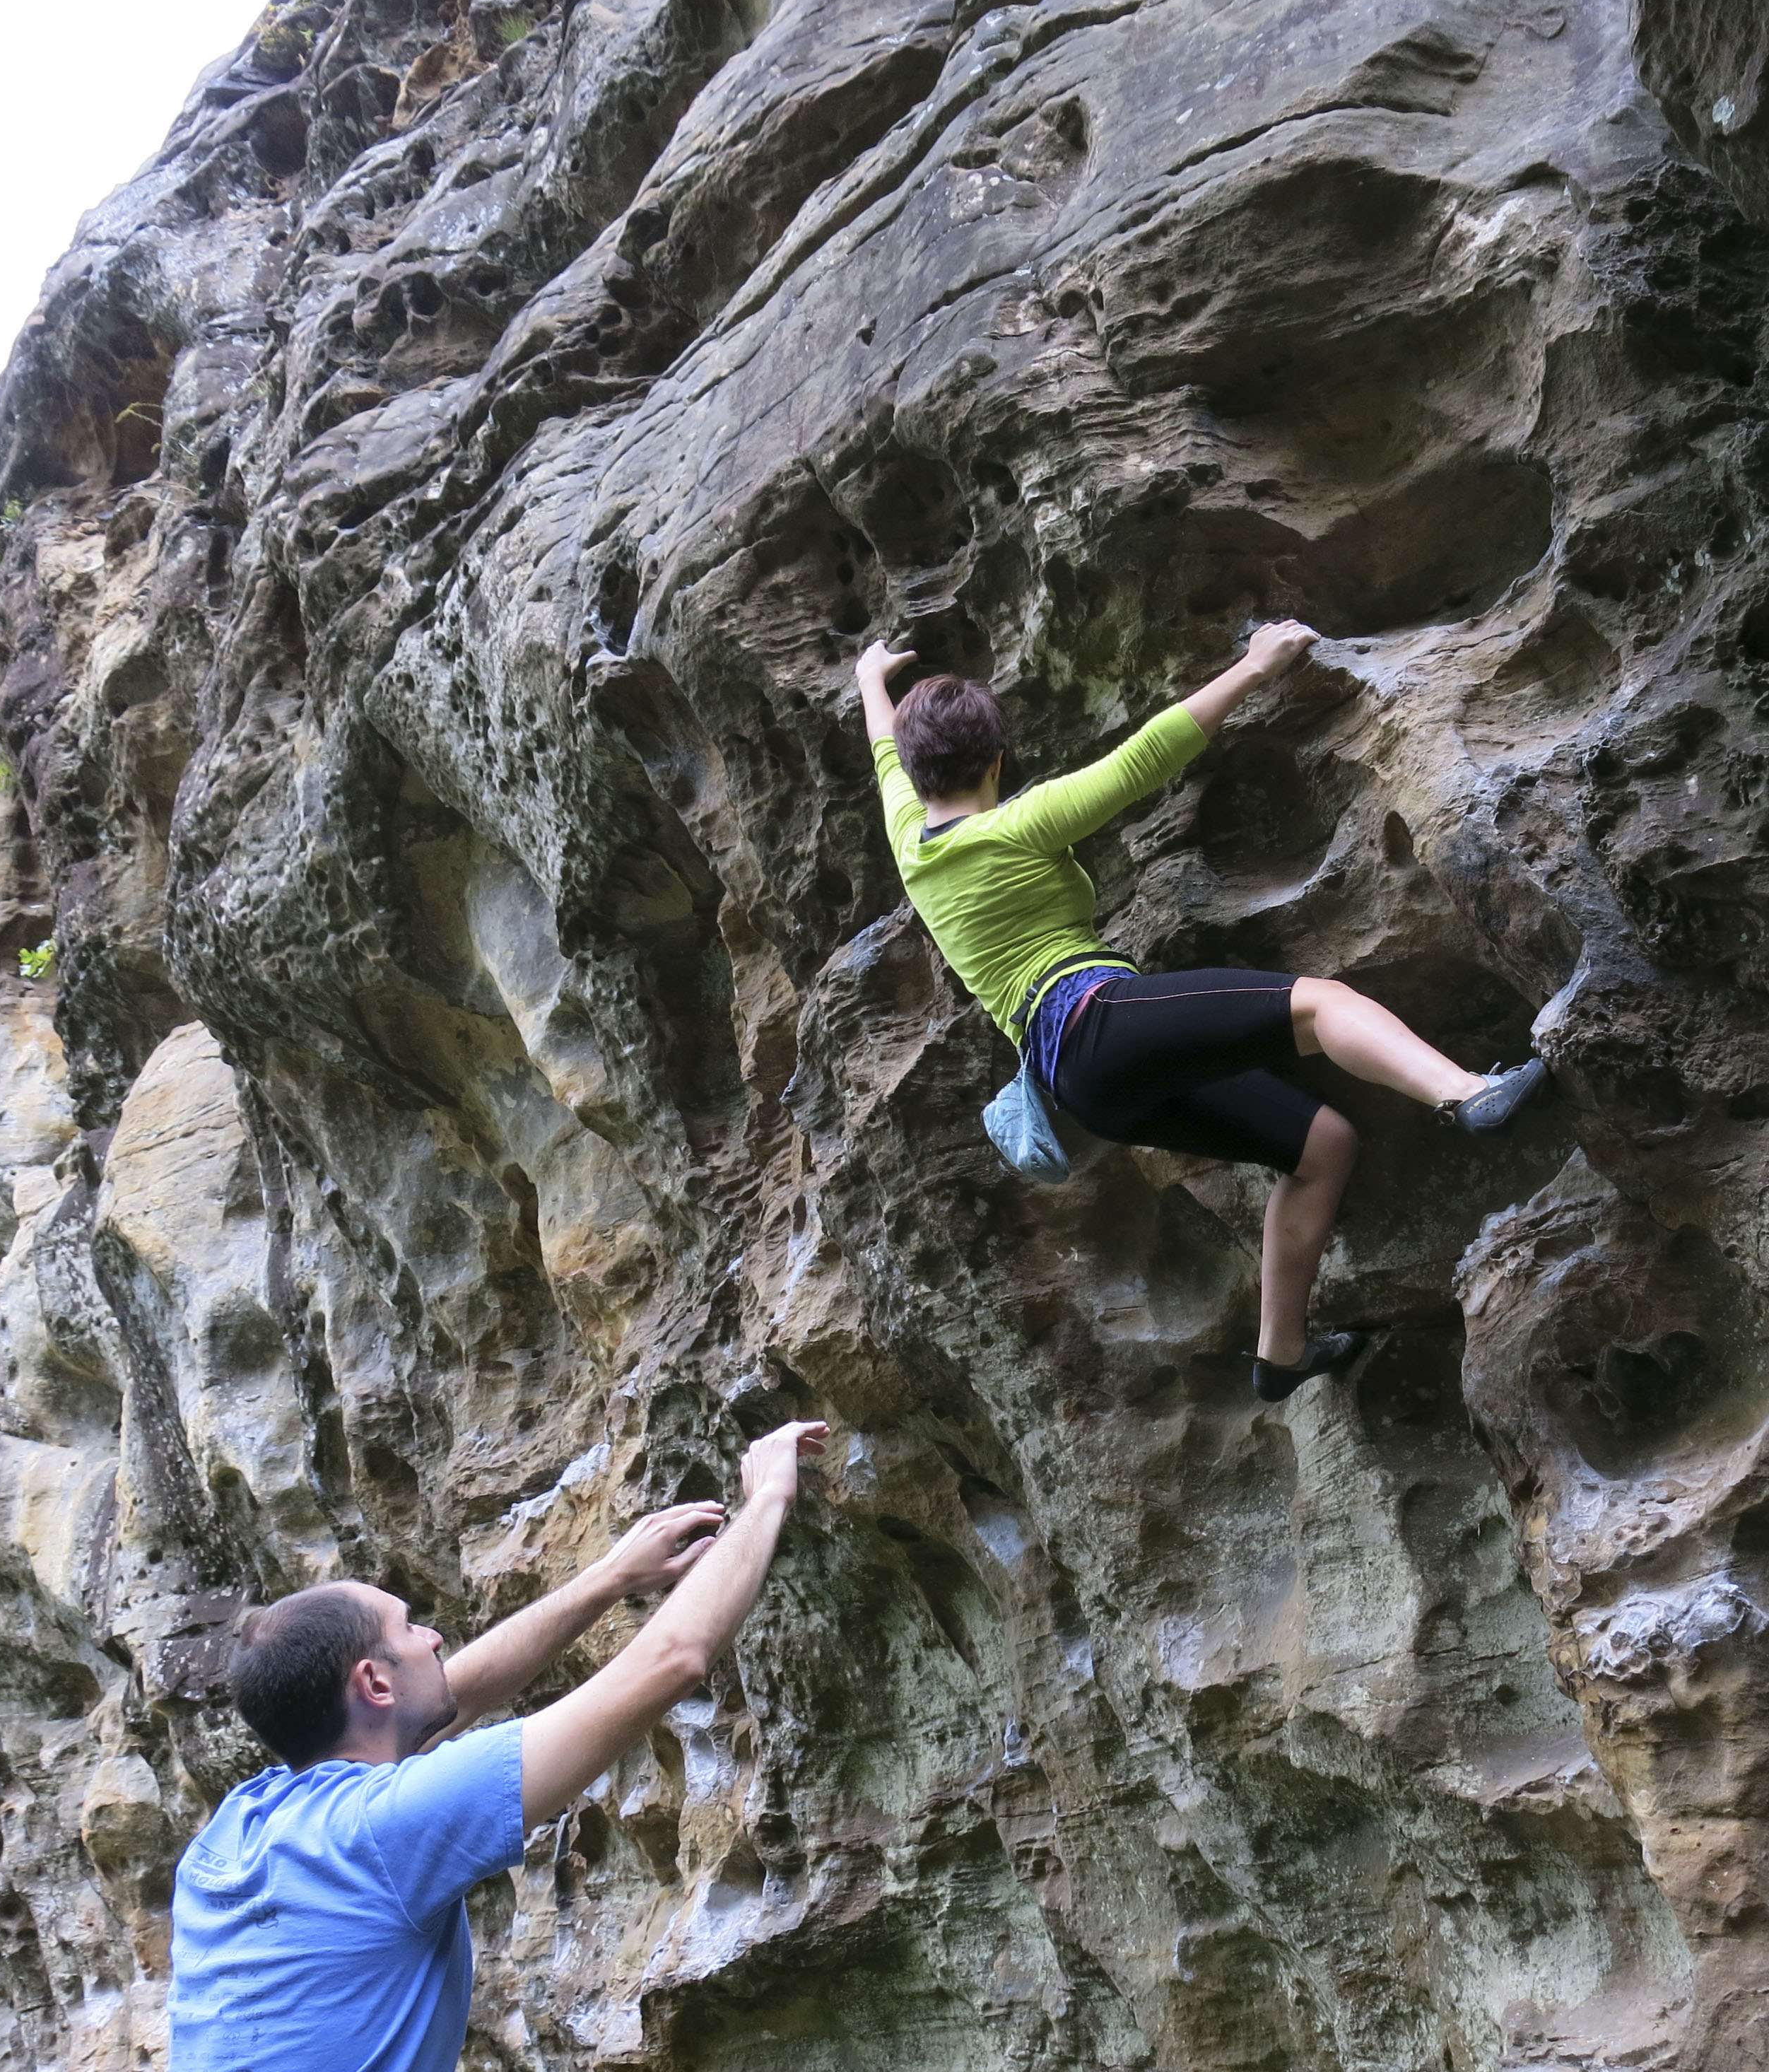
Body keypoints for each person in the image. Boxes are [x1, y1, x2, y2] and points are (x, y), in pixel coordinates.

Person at [856, 621, 1546, 1401]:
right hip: (1096, 1018)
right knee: (1320, 1005)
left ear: (917, 773)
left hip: (1081, 1090)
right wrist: (1254, 667)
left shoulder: (909, 841)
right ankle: (1465, 1092)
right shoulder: (1016, 824)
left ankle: (1280, 1354)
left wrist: (870, 681)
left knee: (1322, 1145)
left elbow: (885, 750)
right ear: (996, 759)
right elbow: (1143, 759)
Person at [166, 1417, 831, 2072]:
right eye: (409, 1628)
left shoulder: (237, 1828)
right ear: (372, 1682)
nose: (432, 1638)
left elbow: (456, 1693)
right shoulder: (383, 1832)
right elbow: (672, 1661)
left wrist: (608, 1579)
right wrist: (767, 1497)